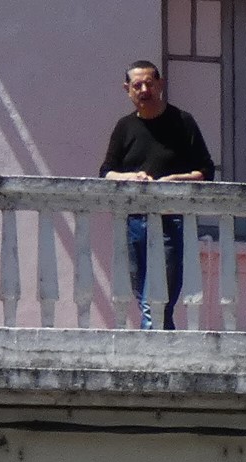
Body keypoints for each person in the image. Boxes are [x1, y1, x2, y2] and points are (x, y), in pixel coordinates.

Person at [99, 59, 213, 329]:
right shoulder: (124, 127)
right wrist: (131, 176)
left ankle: (151, 363)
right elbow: (106, 172)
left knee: (155, 304)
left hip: (170, 222)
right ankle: (167, 362)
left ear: (160, 85)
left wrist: (175, 179)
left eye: (149, 83)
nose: (144, 89)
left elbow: (205, 171)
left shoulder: (182, 122)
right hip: (134, 223)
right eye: (137, 85)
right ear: (127, 89)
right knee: (147, 301)